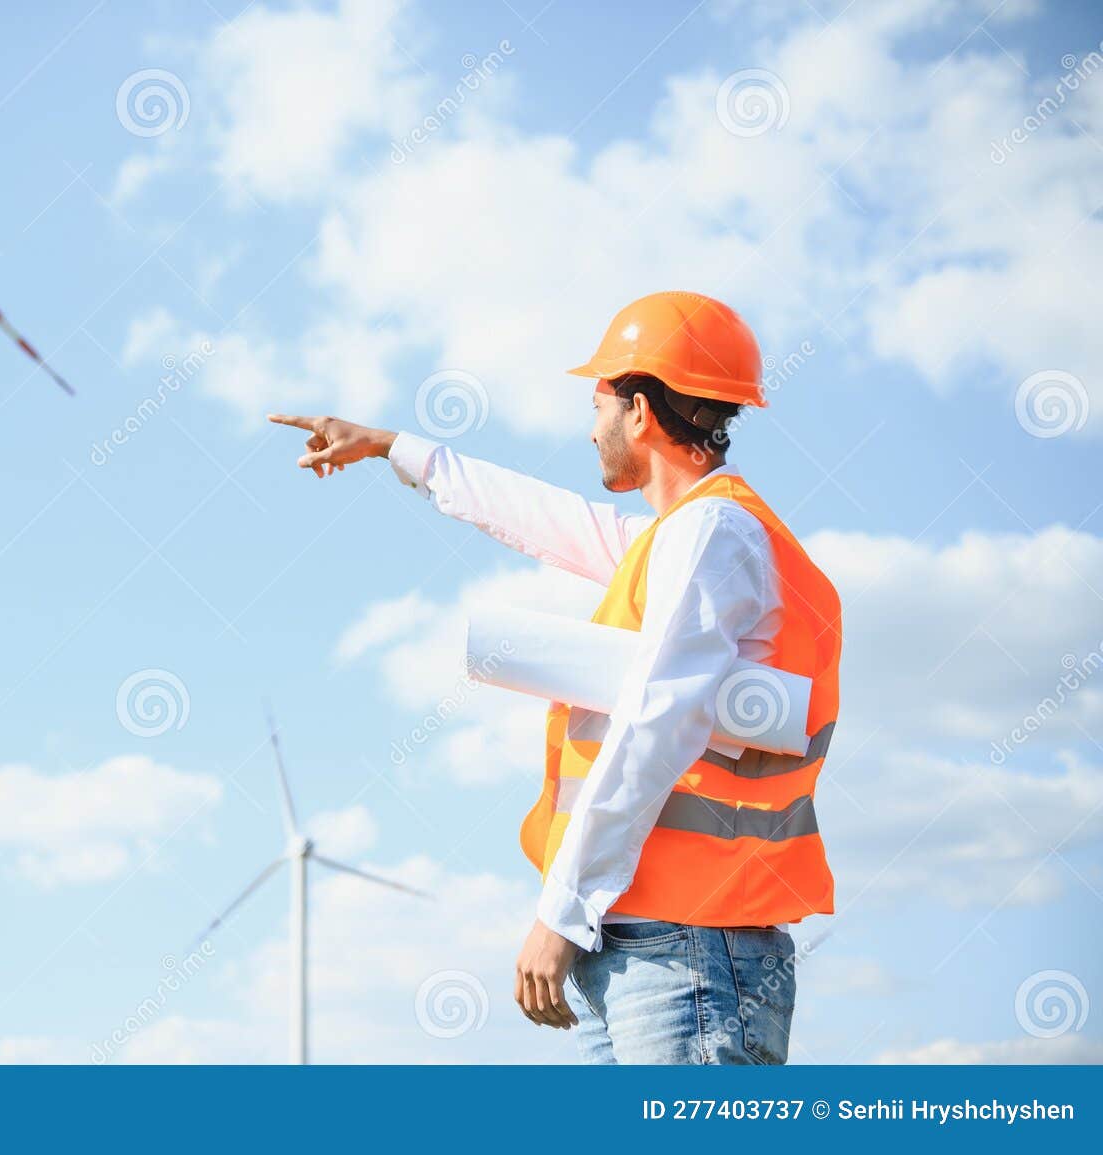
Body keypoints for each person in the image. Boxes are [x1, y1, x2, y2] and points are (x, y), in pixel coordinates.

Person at [269, 291, 842, 1064]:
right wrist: (393, 448)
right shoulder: (686, 534)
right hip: (653, 945)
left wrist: (561, 912)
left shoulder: (713, 533)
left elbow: (656, 721)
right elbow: (551, 519)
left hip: (690, 956)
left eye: (598, 402)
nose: (590, 427)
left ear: (639, 410)